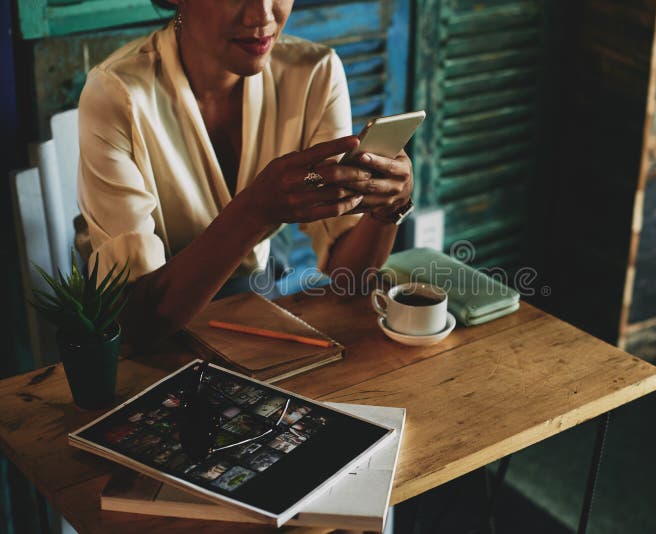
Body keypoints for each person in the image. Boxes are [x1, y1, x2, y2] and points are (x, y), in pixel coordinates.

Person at [76, 0, 414, 348]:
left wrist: (387, 209)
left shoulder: (312, 73)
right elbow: (135, 321)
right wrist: (254, 211)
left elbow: (349, 282)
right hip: (145, 338)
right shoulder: (117, 95)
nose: (264, 15)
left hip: (252, 311)